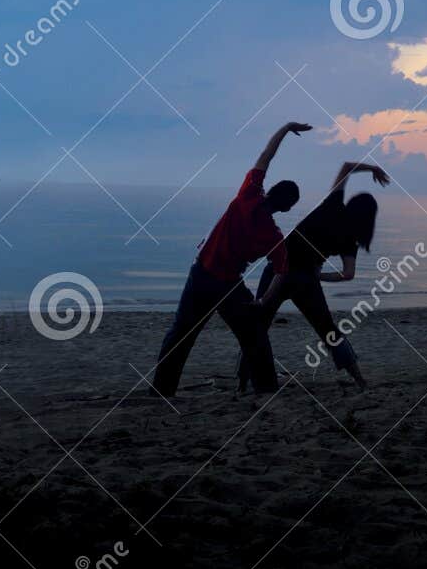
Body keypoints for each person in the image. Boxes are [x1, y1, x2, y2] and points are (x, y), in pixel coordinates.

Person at [151, 122, 310, 398]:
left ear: (271, 190)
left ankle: (162, 391)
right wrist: (263, 301)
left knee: (181, 334)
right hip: (226, 286)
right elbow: (281, 272)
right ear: (287, 208)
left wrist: (284, 129)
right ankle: (266, 387)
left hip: (202, 274)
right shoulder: (273, 236)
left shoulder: (248, 195)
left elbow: (265, 156)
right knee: (254, 335)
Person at [238, 159, 389, 393]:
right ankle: (360, 381)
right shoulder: (350, 239)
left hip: (279, 269)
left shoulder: (334, 205)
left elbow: (347, 166)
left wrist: (373, 168)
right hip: (306, 279)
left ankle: (242, 384)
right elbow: (348, 274)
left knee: (258, 326)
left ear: (351, 204)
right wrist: (320, 276)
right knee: (329, 331)